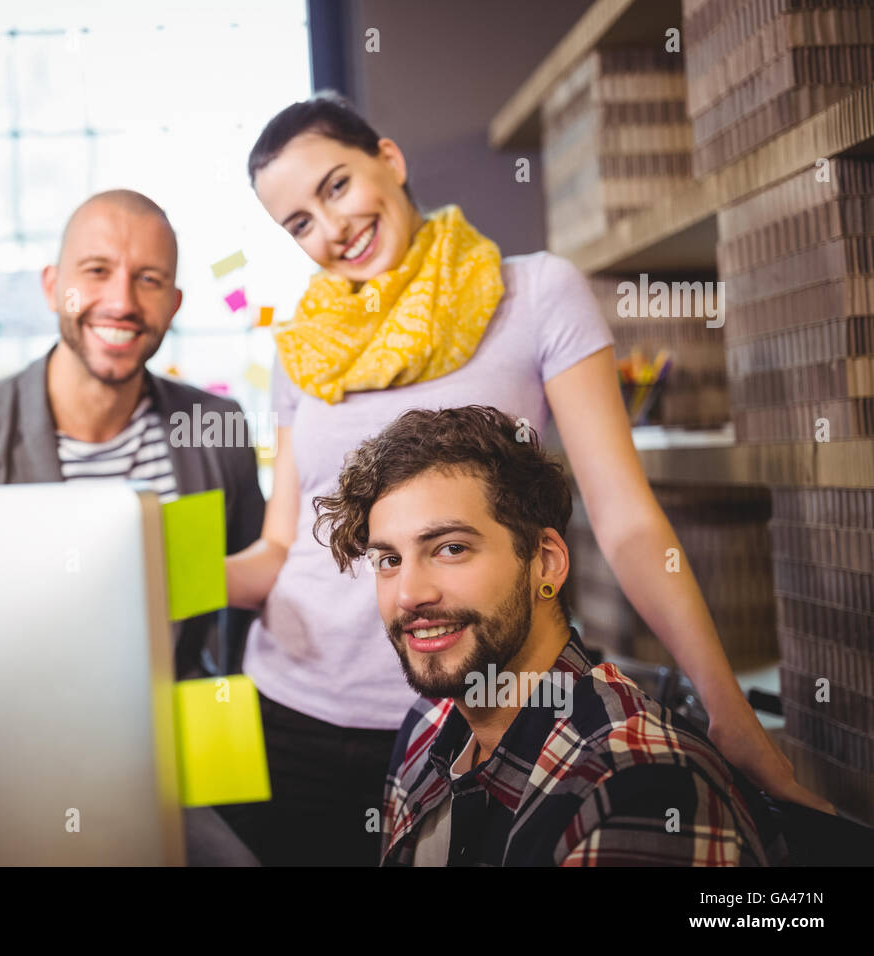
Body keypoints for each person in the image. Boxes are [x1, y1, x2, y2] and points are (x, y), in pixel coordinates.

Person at [219, 92, 830, 866]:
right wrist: (161, 579)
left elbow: (625, 519)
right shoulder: (300, 349)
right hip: (292, 708)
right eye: (298, 222)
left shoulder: (536, 293)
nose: (330, 228)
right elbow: (281, 546)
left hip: (466, 708)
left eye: (335, 185)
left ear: (391, 159)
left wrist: (727, 708)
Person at [0, 190, 267, 866]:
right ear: (53, 287)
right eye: (95, 271)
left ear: (173, 304)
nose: (121, 301)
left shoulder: (217, 430)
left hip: (178, 756)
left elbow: (249, 601)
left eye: (149, 279)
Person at [311, 404, 787, 866]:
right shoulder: (424, 731)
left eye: (451, 548)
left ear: (546, 561)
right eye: (389, 561)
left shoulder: (640, 786)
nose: (409, 594)